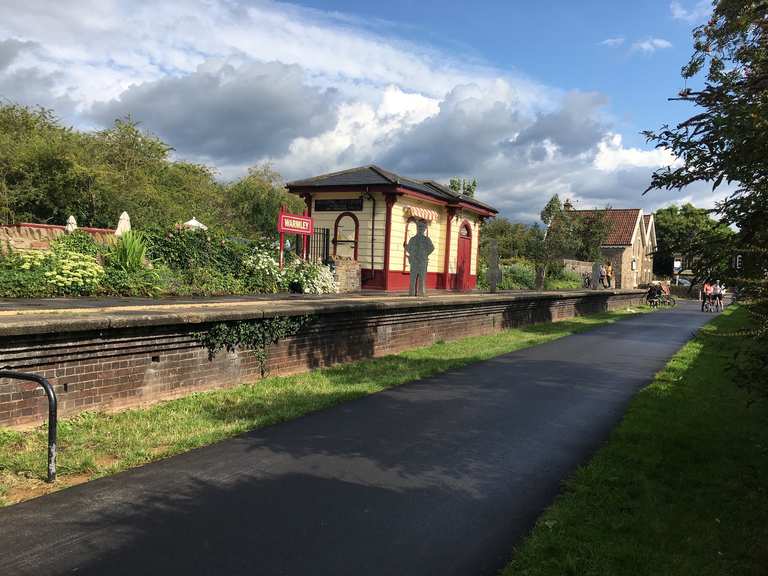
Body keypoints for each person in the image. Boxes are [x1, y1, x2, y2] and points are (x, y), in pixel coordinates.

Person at [406, 220, 434, 296]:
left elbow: (432, 248)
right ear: (417, 229)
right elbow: (409, 249)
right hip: (414, 261)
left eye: (422, 228)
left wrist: (424, 254)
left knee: (422, 278)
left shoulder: (426, 239)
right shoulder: (412, 239)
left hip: (422, 261)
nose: (420, 230)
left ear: (424, 230)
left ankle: (421, 293)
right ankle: (412, 293)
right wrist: (406, 248)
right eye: (419, 228)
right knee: (413, 278)